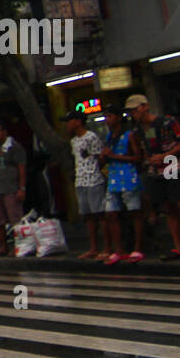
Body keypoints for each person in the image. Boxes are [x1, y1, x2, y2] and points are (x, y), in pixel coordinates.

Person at [126, 94, 180, 262]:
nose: (134, 113)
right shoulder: (138, 130)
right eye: (131, 110)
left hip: (171, 164)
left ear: (145, 106)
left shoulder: (167, 122)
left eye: (135, 108)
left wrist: (166, 155)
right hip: (156, 169)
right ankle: (179, 247)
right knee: (168, 208)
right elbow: (144, 149)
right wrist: (150, 159)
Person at [63, 109, 109, 260]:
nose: (67, 125)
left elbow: (100, 158)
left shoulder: (91, 137)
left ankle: (107, 248)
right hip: (81, 180)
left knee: (100, 214)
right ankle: (94, 247)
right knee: (88, 216)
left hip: (94, 178)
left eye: (69, 121)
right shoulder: (73, 141)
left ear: (77, 121)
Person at [100, 111, 145, 264]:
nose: (107, 119)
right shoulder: (109, 137)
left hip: (128, 176)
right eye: (106, 116)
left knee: (135, 212)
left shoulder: (129, 135)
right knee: (111, 213)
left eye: (110, 115)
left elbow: (138, 157)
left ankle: (138, 248)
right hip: (113, 178)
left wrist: (114, 156)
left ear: (118, 117)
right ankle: (118, 249)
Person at [0, 120, 27, 257]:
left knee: (15, 219)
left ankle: (19, 246)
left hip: (10, 188)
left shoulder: (14, 146)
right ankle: (3, 246)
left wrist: (22, 188)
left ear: (4, 132)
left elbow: (21, 168)